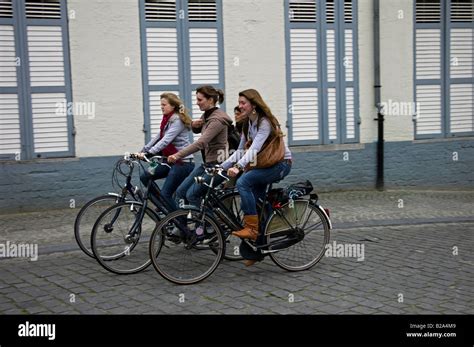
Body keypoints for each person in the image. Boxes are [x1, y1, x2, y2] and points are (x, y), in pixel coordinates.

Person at [222, 89, 293, 266]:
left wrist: (238, 167)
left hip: (281, 164)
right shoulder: (247, 124)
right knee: (257, 201)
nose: (240, 106)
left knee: (243, 182)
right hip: (265, 165)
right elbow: (240, 151)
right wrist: (221, 166)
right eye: (239, 102)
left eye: (243, 103)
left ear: (254, 105)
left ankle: (252, 229)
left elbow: (254, 149)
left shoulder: (264, 122)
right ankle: (262, 243)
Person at [168, 85, 233, 207]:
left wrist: (177, 155)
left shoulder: (217, 120)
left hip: (218, 166)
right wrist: (194, 125)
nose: (197, 103)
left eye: (200, 100)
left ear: (210, 100)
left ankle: (209, 224)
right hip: (207, 164)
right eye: (196, 99)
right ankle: (183, 225)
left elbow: (201, 143)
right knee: (181, 191)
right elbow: (198, 130)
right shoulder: (207, 115)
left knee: (192, 195)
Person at [136, 93, 194, 212]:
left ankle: (179, 222)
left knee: (166, 193)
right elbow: (158, 137)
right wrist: (143, 151)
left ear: (173, 106)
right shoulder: (167, 120)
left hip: (182, 162)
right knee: (145, 176)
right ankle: (163, 204)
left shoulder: (177, 121)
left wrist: (149, 154)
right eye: (160, 105)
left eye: (164, 105)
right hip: (169, 161)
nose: (161, 107)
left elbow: (165, 140)